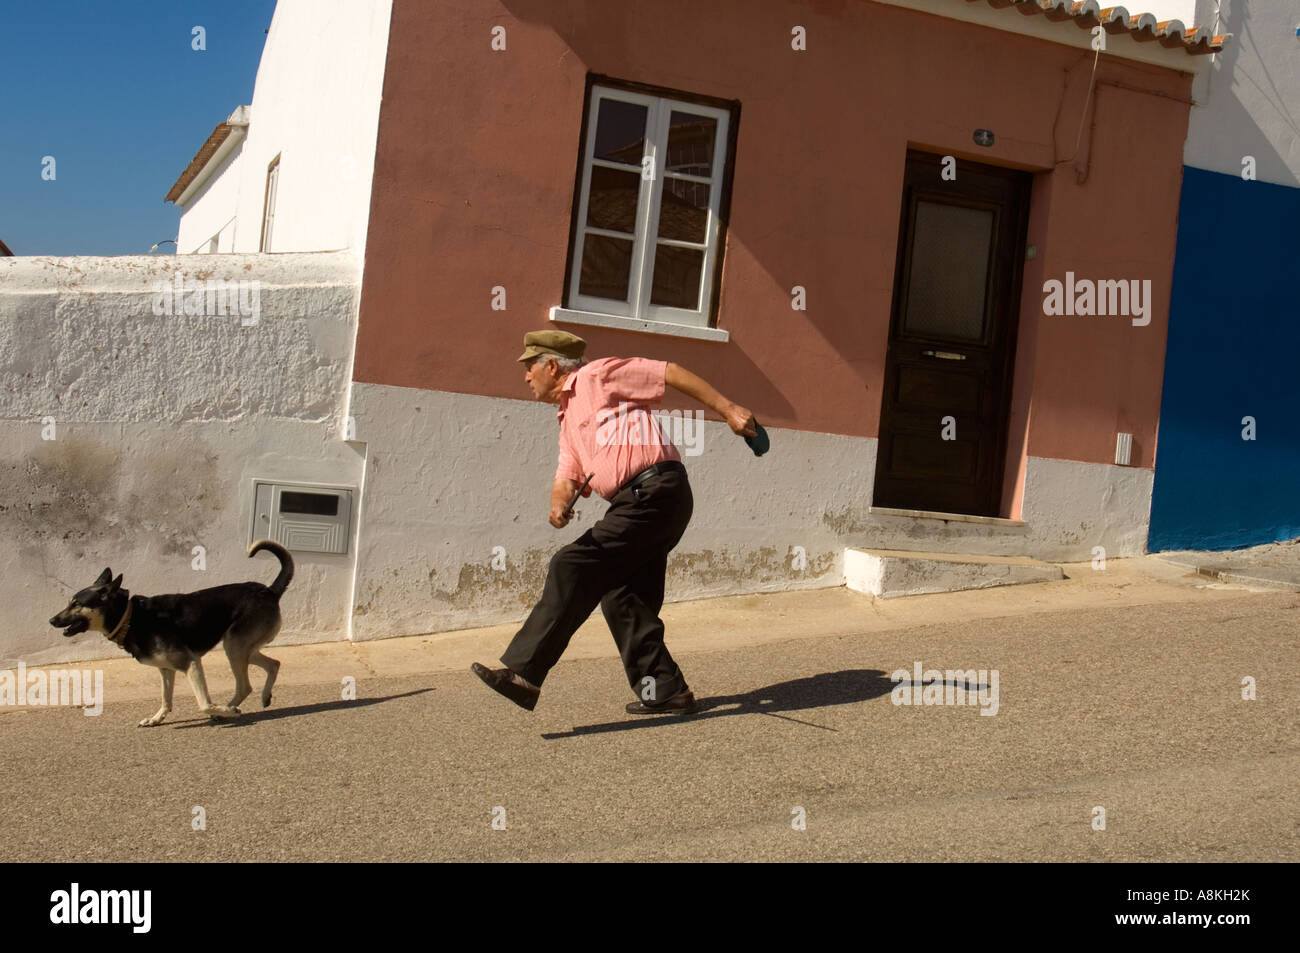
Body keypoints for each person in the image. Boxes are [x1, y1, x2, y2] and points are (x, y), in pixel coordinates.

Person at [471, 330, 756, 714]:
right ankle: (666, 691)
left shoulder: (597, 376)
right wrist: (558, 506)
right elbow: (566, 477)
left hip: (656, 492)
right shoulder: (568, 418)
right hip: (637, 502)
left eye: (529, 366)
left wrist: (727, 409)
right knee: (623, 597)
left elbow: (667, 372)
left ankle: (525, 675)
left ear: (552, 366)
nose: (525, 376)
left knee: (570, 564)